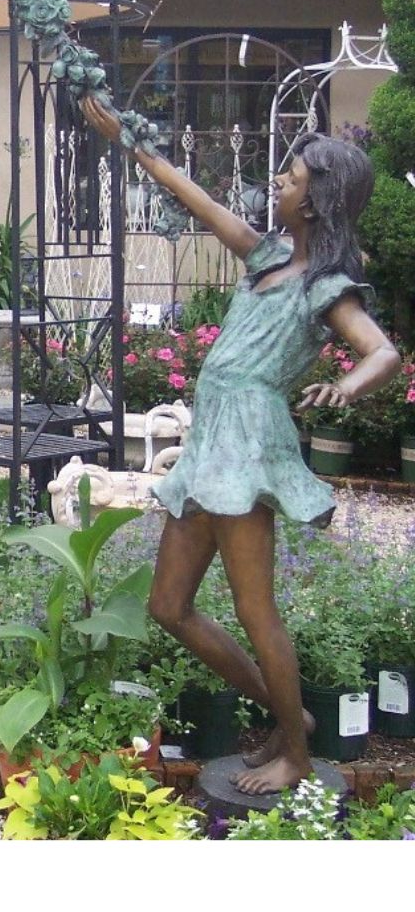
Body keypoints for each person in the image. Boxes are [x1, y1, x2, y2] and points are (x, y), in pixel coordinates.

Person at [81, 95, 400, 795]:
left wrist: (348, 388)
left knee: (258, 611)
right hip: (210, 443)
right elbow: (197, 201)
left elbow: (382, 353)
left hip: (249, 446)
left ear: (317, 202)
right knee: (170, 606)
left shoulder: (328, 285)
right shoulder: (269, 255)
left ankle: (295, 753)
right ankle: (290, 722)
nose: (278, 185)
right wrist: (132, 144)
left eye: (291, 180)